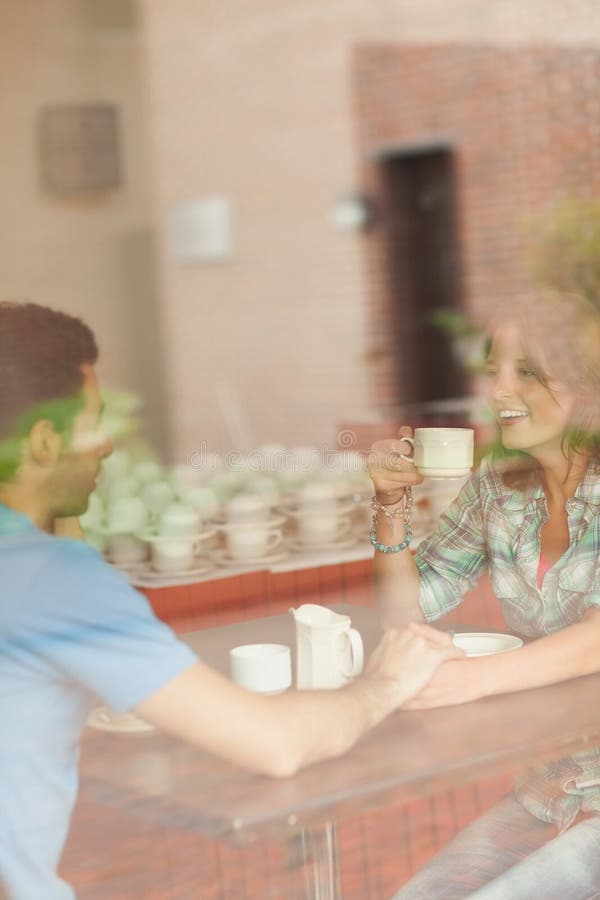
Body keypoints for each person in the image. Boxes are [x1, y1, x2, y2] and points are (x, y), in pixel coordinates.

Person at [0, 302, 461, 900]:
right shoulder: (52, 580)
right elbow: (274, 745)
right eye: (91, 425)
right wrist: (386, 683)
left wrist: (49, 500)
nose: (108, 446)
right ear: (42, 442)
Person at [367, 291, 600, 899]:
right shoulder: (499, 486)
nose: (498, 391)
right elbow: (408, 613)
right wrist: (391, 506)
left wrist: (470, 679)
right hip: (553, 785)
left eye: (524, 371)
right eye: (494, 369)